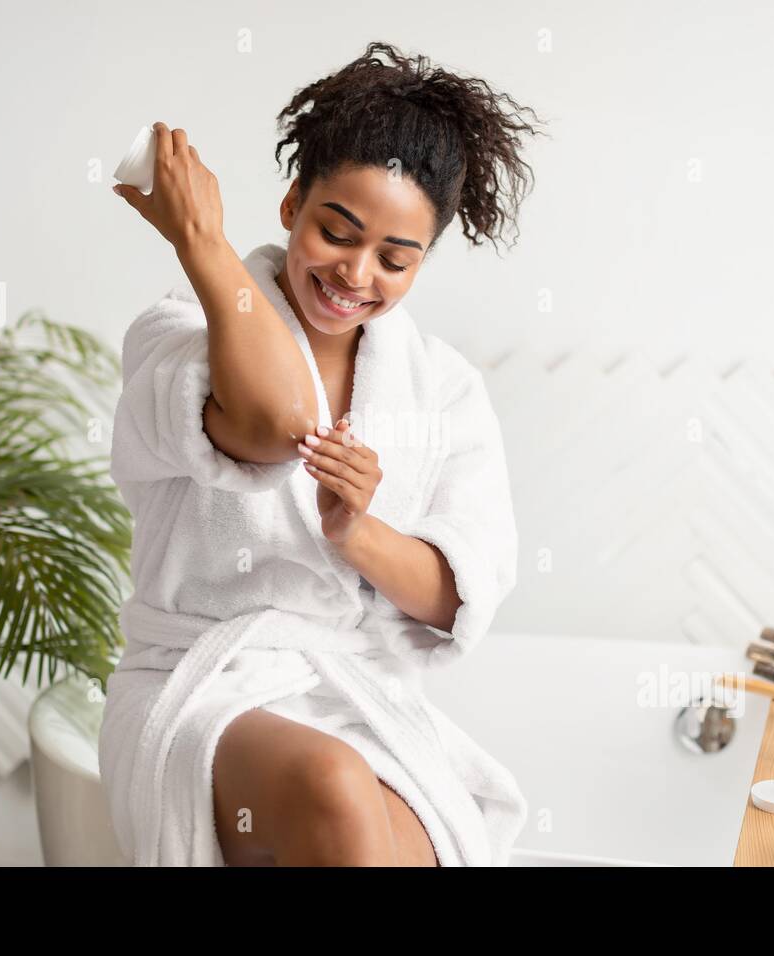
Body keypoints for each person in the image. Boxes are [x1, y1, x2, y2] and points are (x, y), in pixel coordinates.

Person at [100, 41, 547, 866]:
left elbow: (456, 600)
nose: (356, 272)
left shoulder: (440, 389)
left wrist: (358, 533)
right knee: (337, 789)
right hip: (201, 684)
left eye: (394, 257)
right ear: (291, 205)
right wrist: (201, 243)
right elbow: (274, 419)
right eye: (336, 231)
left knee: (423, 849)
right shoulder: (181, 333)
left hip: (352, 697)